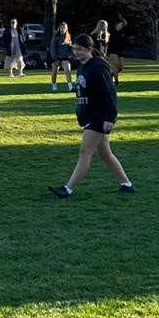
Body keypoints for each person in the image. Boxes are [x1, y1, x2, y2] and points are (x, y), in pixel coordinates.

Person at [49, 33, 133, 197]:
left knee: (85, 152)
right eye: (74, 50)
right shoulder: (82, 66)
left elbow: (109, 94)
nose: (76, 53)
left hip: (100, 116)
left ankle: (68, 189)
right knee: (105, 154)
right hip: (90, 116)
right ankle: (127, 184)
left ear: (89, 49)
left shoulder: (98, 66)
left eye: (80, 50)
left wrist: (110, 118)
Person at [49, 22, 74, 92]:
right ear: (59, 28)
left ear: (67, 29)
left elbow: (70, 47)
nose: (63, 29)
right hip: (56, 58)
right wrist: (55, 58)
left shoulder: (68, 36)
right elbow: (52, 47)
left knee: (68, 71)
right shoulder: (56, 36)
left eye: (65, 28)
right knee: (54, 73)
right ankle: (54, 86)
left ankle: (70, 87)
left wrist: (71, 54)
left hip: (65, 58)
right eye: (62, 27)